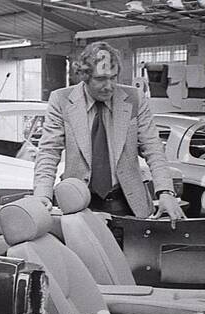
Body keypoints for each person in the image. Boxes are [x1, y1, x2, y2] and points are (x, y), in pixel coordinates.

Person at [32, 41, 184, 223]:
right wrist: (43, 194)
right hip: (78, 202)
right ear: (84, 76)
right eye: (101, 79)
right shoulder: (61, 100)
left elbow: (153, 148)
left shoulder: (135, 99)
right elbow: (49, 152)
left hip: (126, 201)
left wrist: (165, 192)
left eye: (113, 77)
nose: (109, 86)